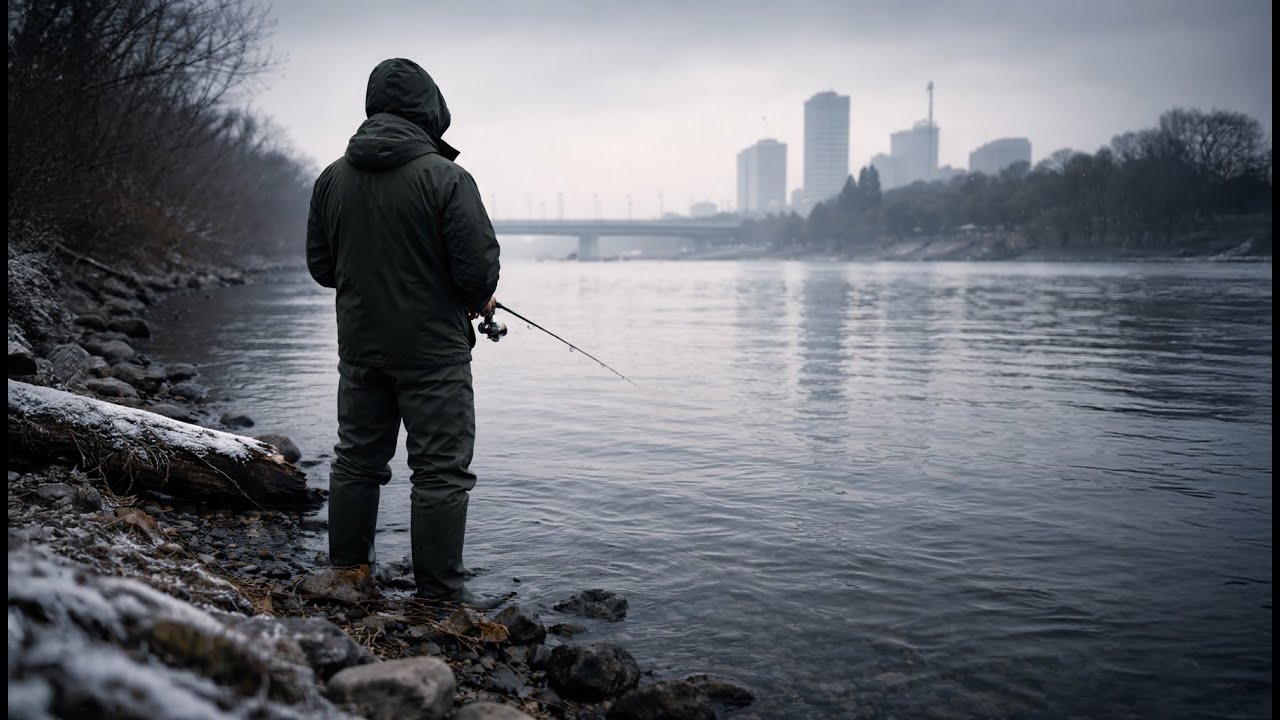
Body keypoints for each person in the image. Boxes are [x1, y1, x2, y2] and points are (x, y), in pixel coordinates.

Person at [306, 58, 501, 606]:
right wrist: (472, 297)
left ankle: (346, 575)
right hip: (433, 355)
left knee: (356, 459)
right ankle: (437, 599)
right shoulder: (448, 178)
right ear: (432, 111)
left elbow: (323, 269)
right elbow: (476, 274)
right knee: (439, 471)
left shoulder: (331, 178)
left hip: (361, 348)